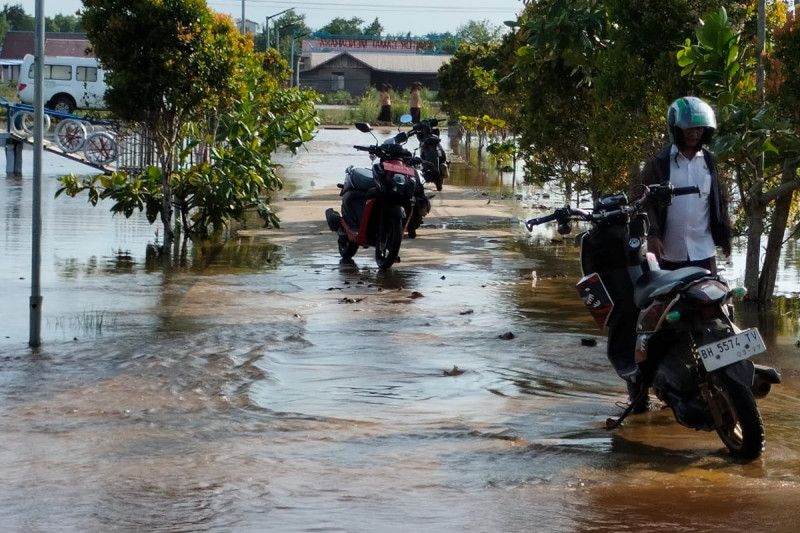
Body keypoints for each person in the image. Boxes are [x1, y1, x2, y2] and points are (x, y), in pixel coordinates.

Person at [613, 96, 732, 412]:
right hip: (668, 254)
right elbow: (644, 202)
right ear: (676, 129)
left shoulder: (709, 162)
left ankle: (717, 380)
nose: (694, 133)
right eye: (689, 128)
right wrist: (652, 235)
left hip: (703, 252)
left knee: (714, 314)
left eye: (699, 129)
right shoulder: (659, 164)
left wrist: (725, 237)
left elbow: (718, 201)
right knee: (658, 322)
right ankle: (642, 389)